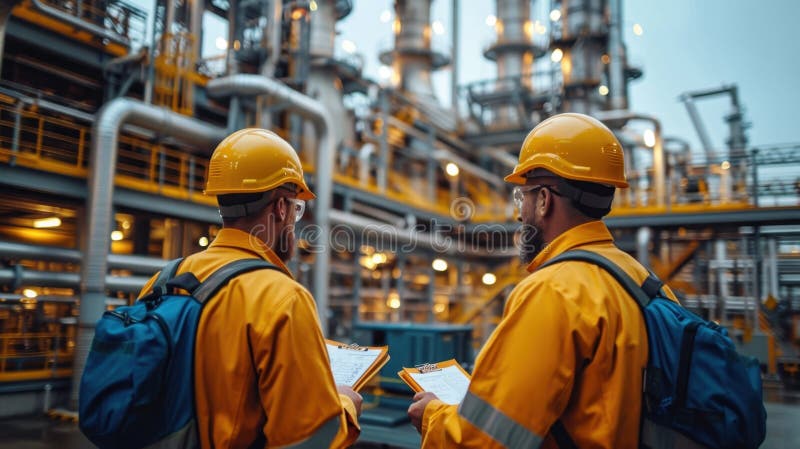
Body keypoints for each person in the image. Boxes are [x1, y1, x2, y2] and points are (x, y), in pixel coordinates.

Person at [408, 113, 678, 448]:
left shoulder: (552, 292)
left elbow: (486, 440)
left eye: (523, 197)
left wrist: (433, 415)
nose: (519, 213)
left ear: (545, 200)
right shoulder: (647, 284)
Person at [139, 128, 362, 449]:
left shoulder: (163, 279)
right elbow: (309, 439)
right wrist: (345, 406)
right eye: (296, 209)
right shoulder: (284, 299)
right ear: (281, 208)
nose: (294, 220)